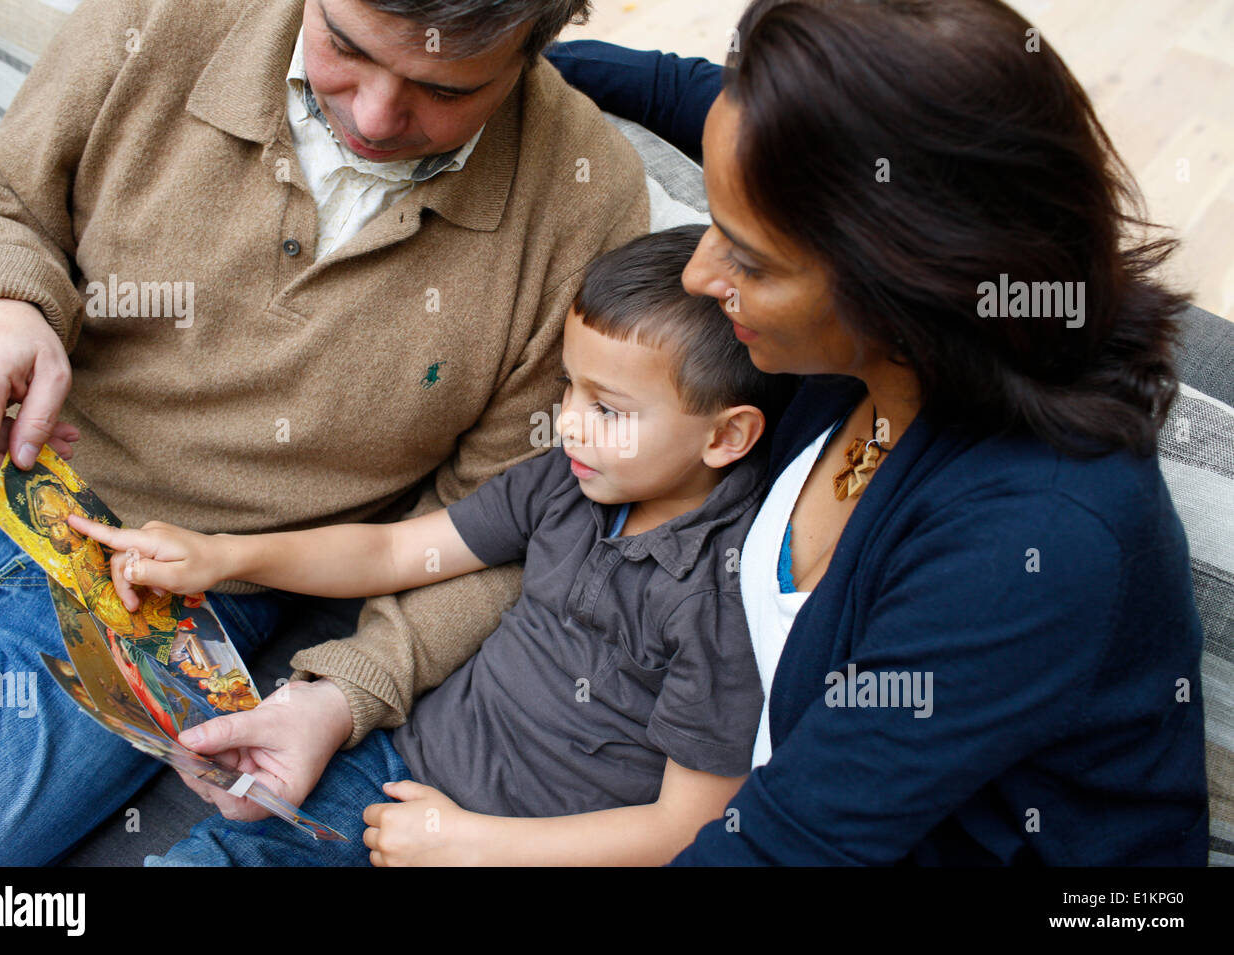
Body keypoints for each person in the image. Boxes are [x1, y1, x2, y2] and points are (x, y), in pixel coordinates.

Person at [0, 0, 650, 864]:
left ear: (536, 47)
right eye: (343, 48)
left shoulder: (587, 200)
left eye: (442, 88)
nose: (375, 116)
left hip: (174, 599)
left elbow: (506, 522)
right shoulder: (166, 14)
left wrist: (354, 685)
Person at [571, 0, 1208, 864]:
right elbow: (684, 92)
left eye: (748, 260)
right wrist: (501, 59)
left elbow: (780, 850)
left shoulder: (1033, 542)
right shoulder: (880, 339)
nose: (696, 272)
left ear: (907, 278)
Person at [67, 226, 800, 865]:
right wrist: (226, 554)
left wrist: (469, 845)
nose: (570, 423)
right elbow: (393, 553)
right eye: (569, 389)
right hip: (399, 770)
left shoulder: (725, 593)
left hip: (533, 850)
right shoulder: (567, 482)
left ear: (725, 435)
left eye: (608, 409)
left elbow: (690, 825)